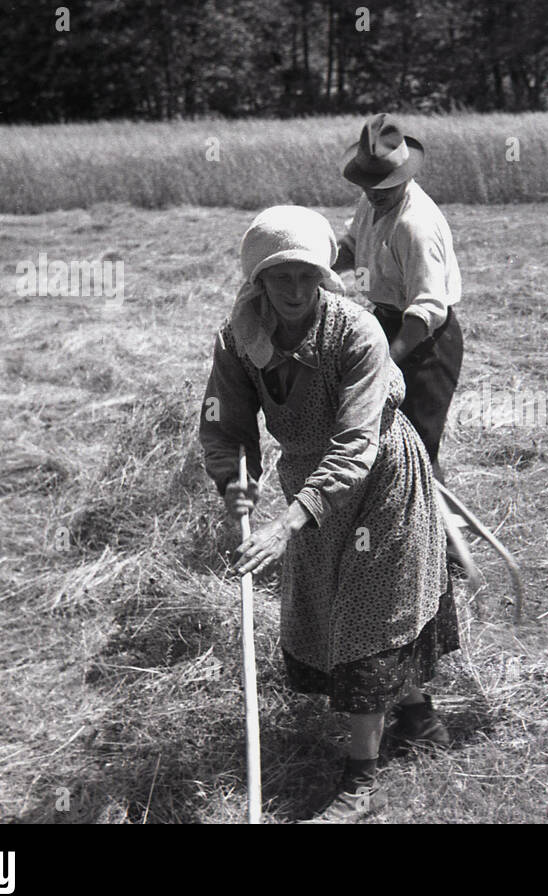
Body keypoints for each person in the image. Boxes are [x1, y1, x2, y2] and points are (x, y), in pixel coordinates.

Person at [199, 205, 459, 823]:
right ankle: (418, 719)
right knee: (332, 607)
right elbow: (225, 424)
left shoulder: (357, 332)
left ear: (324, 276)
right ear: (256, 280)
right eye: (279, 276)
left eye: (306, 276)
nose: (294, 290)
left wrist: (288, 522)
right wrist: (234, 483)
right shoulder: (239, 338)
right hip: (308, 484)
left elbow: (356, 444)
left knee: (373, 613)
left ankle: (358, 781)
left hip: (379, 479)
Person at [333, 113, 463, 483]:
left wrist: (386, 363)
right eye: (369, 184)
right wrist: (315, 270)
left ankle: (444, 536)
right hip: (385, 322)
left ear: (406, 174)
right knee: (384, 440)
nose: (375, 192)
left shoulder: (416, 225)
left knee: (420, 448)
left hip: (425, 343)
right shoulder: (372, 202)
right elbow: (352, 247)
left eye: (384, 185)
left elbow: (425, 310)